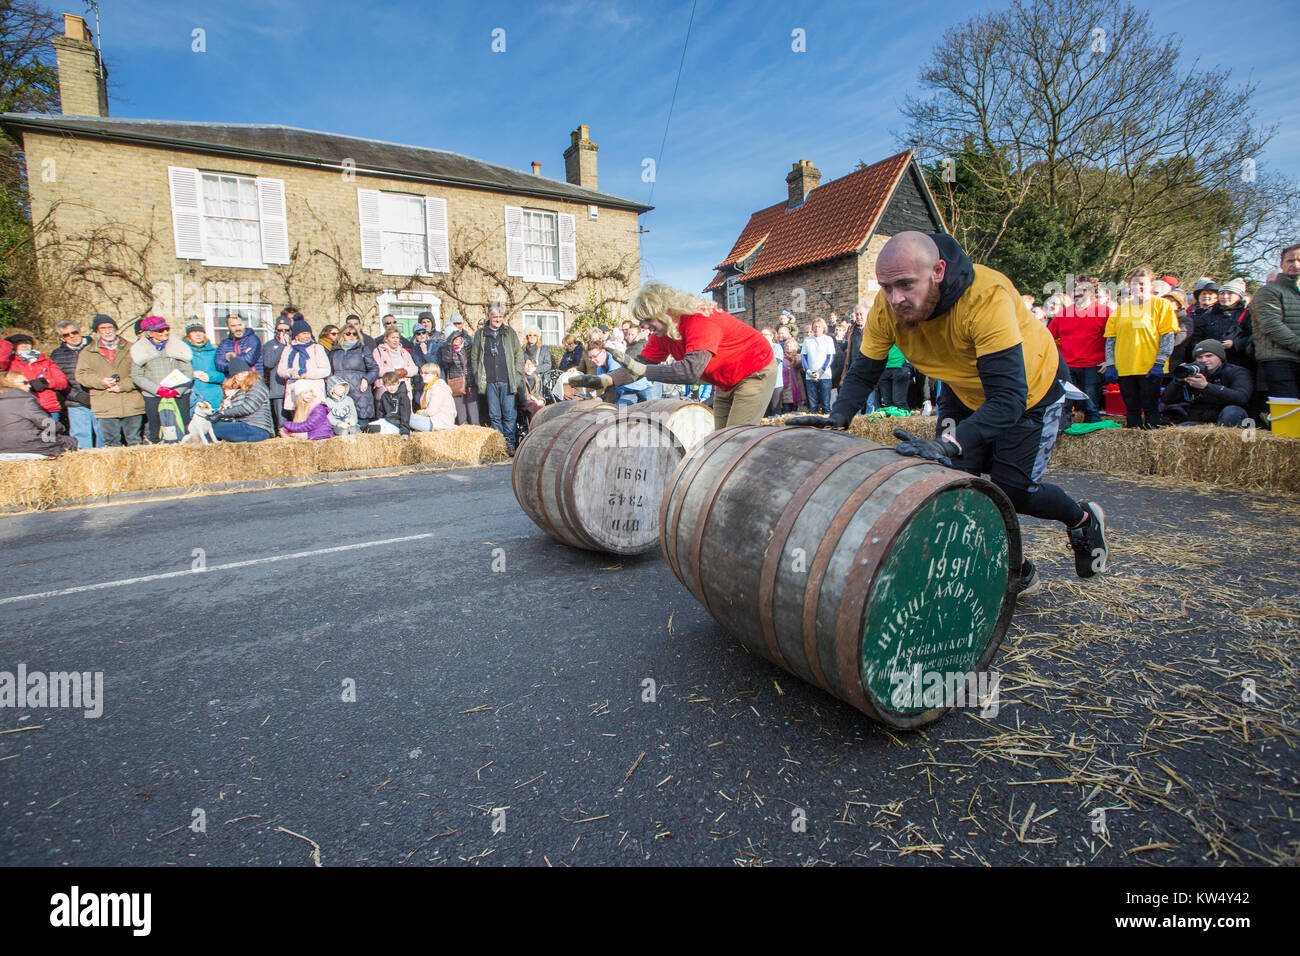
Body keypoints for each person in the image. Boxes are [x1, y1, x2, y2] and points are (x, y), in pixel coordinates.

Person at [788, 231, 1108, 594]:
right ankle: (1014, 569)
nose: (896, 299)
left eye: (906, 285)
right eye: (887, 287)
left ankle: (1082, 519)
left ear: (938, 271)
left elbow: (1008, 399)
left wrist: (949, 443)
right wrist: (839, 415)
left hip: (1028, 393)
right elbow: (865, 368)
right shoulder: (887, 306)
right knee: (950, 482)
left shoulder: (986, 297)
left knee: (1013, 491)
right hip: (961, 387)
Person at [570, 283, 778, 430]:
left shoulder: (699, 320)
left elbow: (690, 371)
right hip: (725, 379)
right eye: (640, 321)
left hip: (754, 371)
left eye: (647, 319)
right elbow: (639, 364)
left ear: (665, 312)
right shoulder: (663, 333)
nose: (643, 326)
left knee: (735, 440)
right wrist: (606, 379)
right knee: (720, 440)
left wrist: (643, 370)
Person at [1103, 268, 1179, 429]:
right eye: (1135, 283)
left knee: (1150, 406)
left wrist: (1160, 362)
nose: (1139, 287)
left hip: (1150, 366)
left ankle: (1152, 442)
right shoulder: (1120, 310)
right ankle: (1133, 441)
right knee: (1131, 408)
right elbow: (1111, 340)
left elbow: (1167, 336)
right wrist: (1111, 364)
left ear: (1151, 285)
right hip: (1125, 368)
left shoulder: (1161, 305)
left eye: (1143, 284)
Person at [75, 315, 145, 446]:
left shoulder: (132, 348)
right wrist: (100, 381)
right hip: (104, 403)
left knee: (135, 441)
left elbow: (142, 372)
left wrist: (123, 386)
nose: (107, 331)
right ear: (97, 331)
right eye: (103, 328)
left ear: (116, 329)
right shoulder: (88, 352)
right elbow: (81, 374)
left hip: (131, 402)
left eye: (110, 327)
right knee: (111, 443)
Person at [1047, 278, 1109, 423]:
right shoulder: (1063, 314)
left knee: (1091, 406)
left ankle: (1093, 439)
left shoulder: (1105, 312)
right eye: (1076, 290)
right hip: (1067, 367)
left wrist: (1109, 361)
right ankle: (1061, 437)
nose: (1077, 293)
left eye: (1083, 290)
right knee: (1064, 406)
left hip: (1094, 366)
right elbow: (1047, 338)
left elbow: (1115, 339)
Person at [1247, 243, 1300, 400]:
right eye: (1290, 260)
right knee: (1287, 411)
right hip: (1279, 360)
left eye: (1299, 260)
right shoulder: (1268, 291)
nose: (1295, 264)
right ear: (1282, 264)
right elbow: (1272, 325)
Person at [470, 302, 524, 451]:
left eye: (500, 316)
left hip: (507, 380)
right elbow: (474, 358)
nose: (498, 319)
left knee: (509, 414)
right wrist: (477, 375)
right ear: (488, 316)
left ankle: (510, 443)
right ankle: (499, 445)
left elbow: (519, 355)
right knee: (494, 415)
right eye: (495, 316)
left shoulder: (509, 332)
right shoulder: (480, 334)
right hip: (490, 381)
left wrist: (518, 375)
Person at [1161, 340, 1252, 427]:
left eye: (1209, 356)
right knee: (1181, 430)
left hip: (1228, 419)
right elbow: (1167, 400)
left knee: (1232, 412)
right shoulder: (1193, 373)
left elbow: (1241, 397)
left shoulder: (1237, 372)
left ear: (1220, 357)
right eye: (1199, 357)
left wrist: (1206, 386)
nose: (1204, 360)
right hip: (1201, 420)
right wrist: (1178, 381)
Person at [130, 316, 193, 442]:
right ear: (149, 333)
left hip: (178, 395)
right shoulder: (139, 350)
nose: (165, 332)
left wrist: (177, 390)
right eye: (160, 330)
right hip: (154, 396)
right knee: (157, 430)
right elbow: (137, 375)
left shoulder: (178, 347)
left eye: (166, 329)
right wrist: (158, 390)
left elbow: (188, 372)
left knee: (182, 429)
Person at [0, 371, 78, 457]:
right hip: (25, 443)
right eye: (25, 383)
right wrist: (61, 428)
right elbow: (48, 424)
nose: (29, 386)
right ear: (12, 384)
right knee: (69, 441)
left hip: (2, 446)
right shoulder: (25, 401)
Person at [50, 319, 98, 449]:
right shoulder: (57, 355)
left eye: (74, 332)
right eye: (66, 335)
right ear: (61, 338)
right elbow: (58, 381)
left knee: (103, 436)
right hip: (76, 403)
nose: (72, 336)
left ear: (80, 331)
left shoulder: (96, 347)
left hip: (101, 399)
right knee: (81, 438)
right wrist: (76, 396)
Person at [3, 333, 68, 421]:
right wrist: (25, 385)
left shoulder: (45, 360)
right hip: (23, 408)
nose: (25, 345)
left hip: (49, 408)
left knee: (50, 434)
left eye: (27, 342)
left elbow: (62, 381)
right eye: (20, 343)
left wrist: (47, 382)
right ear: (13, 346)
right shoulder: (10, 362)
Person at [210, 357, 274, 442]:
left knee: (211, 428)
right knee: (212, 426)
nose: (242, 375)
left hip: (256, 428)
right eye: (238, 373)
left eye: (244, 372)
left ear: (249, 372)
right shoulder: (240, 390)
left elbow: (248, 407)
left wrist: (222, 414)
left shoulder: (257, 384)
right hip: (246, 426)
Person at [277, 317, 331, 415]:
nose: (306, 336)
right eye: (303, 333)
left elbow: (326, 370)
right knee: (298, 420)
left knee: (314, 420)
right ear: (296, 335)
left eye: (308, 333)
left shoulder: (317, 348)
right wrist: (291, 372)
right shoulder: (288, 349)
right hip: (295, 390)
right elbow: (281, 370)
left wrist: (306, 374)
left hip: (313, 391)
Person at [330, 325, 379, 427]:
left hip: (360, 393)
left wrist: (366, 379)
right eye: (348, 333)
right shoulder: (334, 352)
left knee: (362, 427)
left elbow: (374, 369)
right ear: (342, 335)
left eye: (354, 333)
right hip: (341, 393)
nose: (351, 336)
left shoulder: (363, 350)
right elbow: (330, 372)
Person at [183, 319, 226, 414]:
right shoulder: (182, 352)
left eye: (200, 332)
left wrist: (210, 376)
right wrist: (191, 373)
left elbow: (224, 375)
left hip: (213, 396)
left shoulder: (215, 352)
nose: (198, 335)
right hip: (192, 397)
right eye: (194, 332)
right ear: (188, 334)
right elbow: (176, 373)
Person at [440, 319, 477, 425]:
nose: (457, 339)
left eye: (457, 336)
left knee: (473, 414)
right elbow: (447, 359)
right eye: (453, 338)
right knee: (461, 416)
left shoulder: (468, 344)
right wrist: (449, 345)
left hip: (470, 381)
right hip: (456, 382)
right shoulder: (447, 349)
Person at [373, 326, 418, 405]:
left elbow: (414, 368)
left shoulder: (404, 352)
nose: (395, 340)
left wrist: (405, 371)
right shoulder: (378, 352)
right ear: (386, 339)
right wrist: (394, 372)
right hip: (386, 388)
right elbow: (377, 369)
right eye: (393, 337)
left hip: (403, 388)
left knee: (404, 414)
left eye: (397, 337)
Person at [263, 315, 293, 431]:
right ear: (276, 330)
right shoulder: (270, 345)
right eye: (280, 330)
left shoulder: (295, 344)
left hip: (294, 387)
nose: (283, 332)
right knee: (282, 423)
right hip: (278, 389)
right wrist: (282, 346)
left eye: (287, 330)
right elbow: (269, 363)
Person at [411, 363, 456, 431]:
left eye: (426, 374)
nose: (423, 376)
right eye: (422, 373)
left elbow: (431, 411)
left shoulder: (438, 388)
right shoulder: (428, 387)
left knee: (406, 417)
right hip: (432, 420)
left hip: (439, 423)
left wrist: (419, 413)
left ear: (435, 374)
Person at [369, 370, 412, 435]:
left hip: (397, 424)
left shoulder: (403, 396)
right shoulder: (385, 395)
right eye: (388, 385)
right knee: (368, 427)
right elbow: (381, 412)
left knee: (379, 430)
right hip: (387, 421)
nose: (391, 388)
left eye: (394, 385)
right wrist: (380, 420)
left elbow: (405, 415)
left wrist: (405, 432)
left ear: (398, 383)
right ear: (384, 385)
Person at [876, 345, 912, 411]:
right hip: (885, 368)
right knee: (889, 404)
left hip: (900, 366)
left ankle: (903, 419)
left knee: (899, 403)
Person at [779, 339, 805, 413]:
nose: (788, 347)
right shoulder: (781, 357)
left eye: (791, 345)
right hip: (785, 388)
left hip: (796, 386)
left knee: (794, 410)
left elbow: (798, 365)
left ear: (795, 347)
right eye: (787, 346)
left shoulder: (798, 357)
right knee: (786, 409)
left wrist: (790, 358)